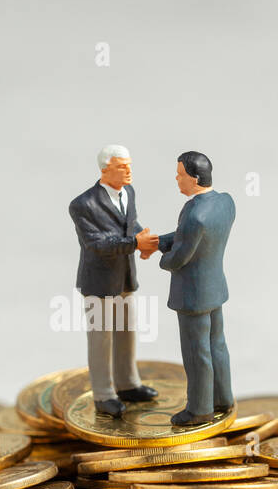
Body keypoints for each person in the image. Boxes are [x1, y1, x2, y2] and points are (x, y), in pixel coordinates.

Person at [67, 144, 160, 416]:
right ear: (105, 169)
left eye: (130, 165)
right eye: (122, 166)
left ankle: (127, 384)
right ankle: (104, 395)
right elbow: (96, 243)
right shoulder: (83, 204)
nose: (129, 171)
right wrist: (134, 242)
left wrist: (145, 241)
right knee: (100, 340)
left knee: (127, 333)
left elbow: (130, 224)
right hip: (99, 284)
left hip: (125, 279)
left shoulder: (129, 192)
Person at [149, 151, 235, 426]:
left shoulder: (194, 213)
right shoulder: (225, 203)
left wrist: (162, 257)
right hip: (215, 288)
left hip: (193, 295)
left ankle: (200, 410)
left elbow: (180, 257)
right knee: (217, 346)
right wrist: (160, 240)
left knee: (197, 352)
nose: (177, 179)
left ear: (195, 179)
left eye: (180, 175)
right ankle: (223, 398)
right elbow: (193, 236)